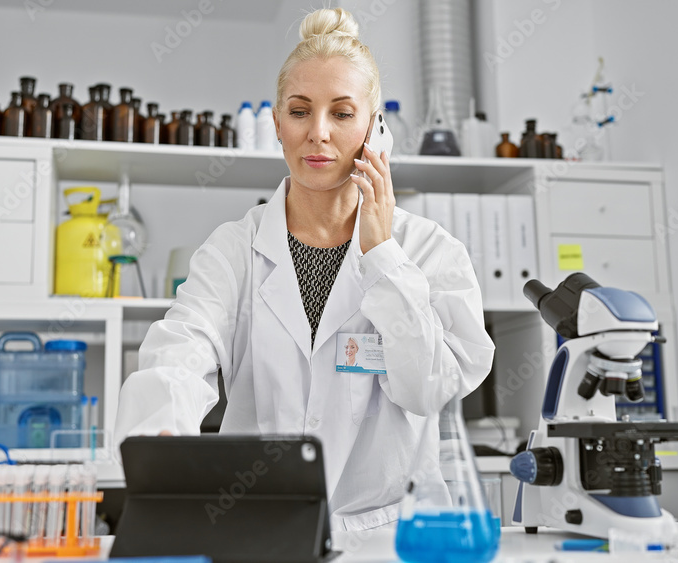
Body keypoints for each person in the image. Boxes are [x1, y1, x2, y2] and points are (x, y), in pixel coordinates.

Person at [115, 7, 495, 531]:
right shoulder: (233, 250)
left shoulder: (429, 251)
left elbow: (428, 390)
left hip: (385, 537)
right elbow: (180, 350)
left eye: (342, 113)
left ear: (375, 128)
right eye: (299, 111)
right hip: (257, 527)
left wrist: (383, 253)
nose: (318, 133)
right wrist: (161, 445)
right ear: (276, 124)